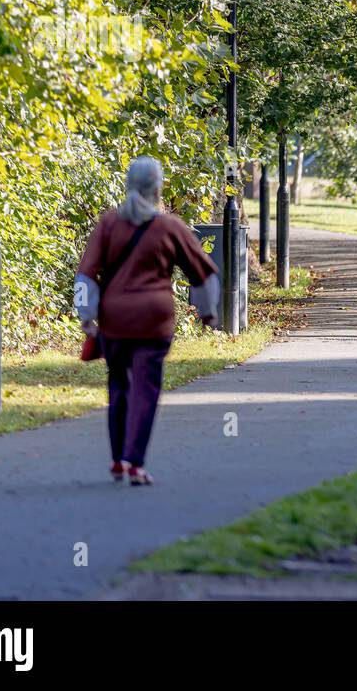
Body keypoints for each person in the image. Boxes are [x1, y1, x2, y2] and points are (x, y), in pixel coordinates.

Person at [74, 157, 219, 486]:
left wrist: (86, 316)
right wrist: (208, 313)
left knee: (119, 386)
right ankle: (135, 462)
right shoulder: (170, 227)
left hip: (114, 321)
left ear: (128, 184)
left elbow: (86, 275)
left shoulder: (109, 224)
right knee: (146, 388)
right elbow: (205, 274)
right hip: (154, 321)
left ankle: (116, 460)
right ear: (157, 188)